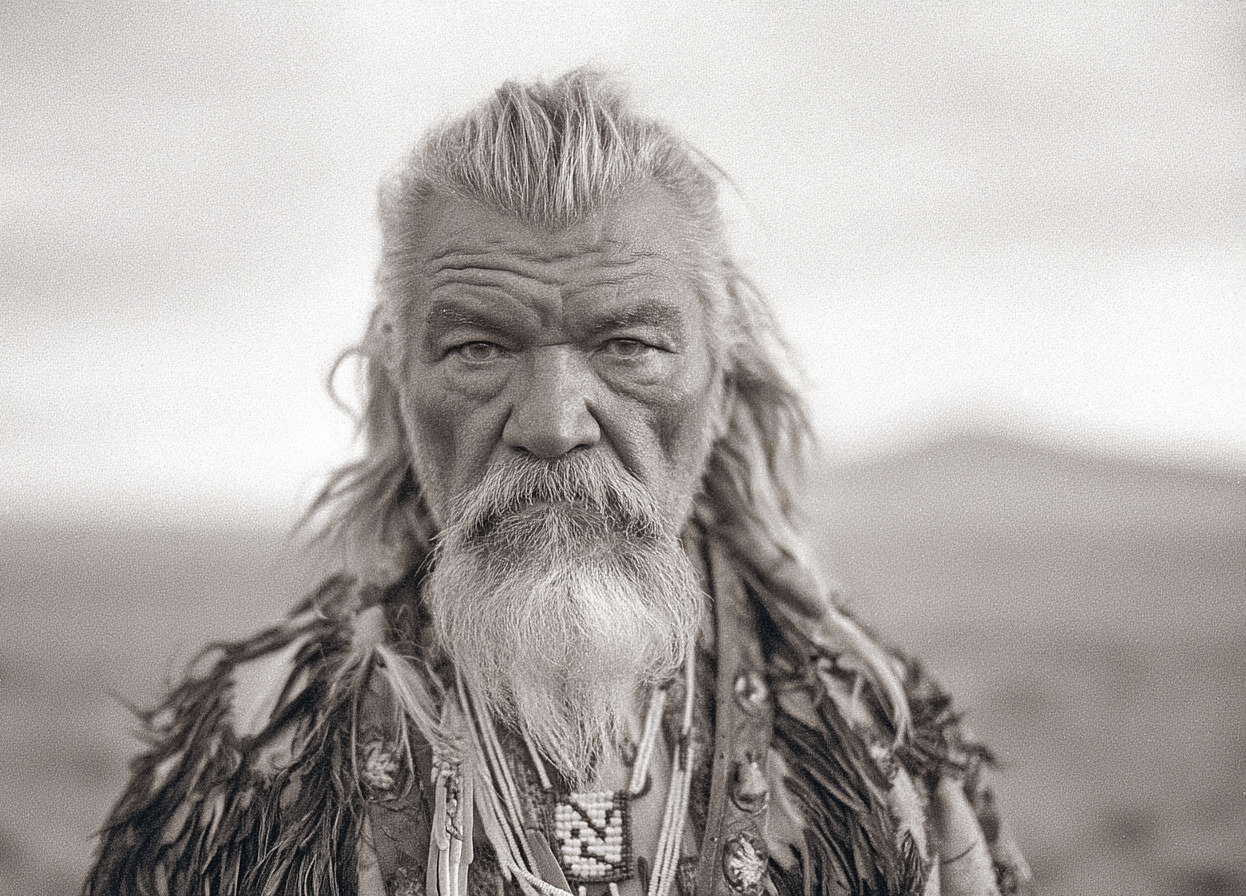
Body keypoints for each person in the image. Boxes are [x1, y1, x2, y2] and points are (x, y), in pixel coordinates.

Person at [85, 70, 1031, 896]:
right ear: (397, 376)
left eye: (629, 346)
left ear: (721, 372)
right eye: (478, 347)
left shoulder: (874, 745)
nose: (551, 422)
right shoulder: (252, 760)